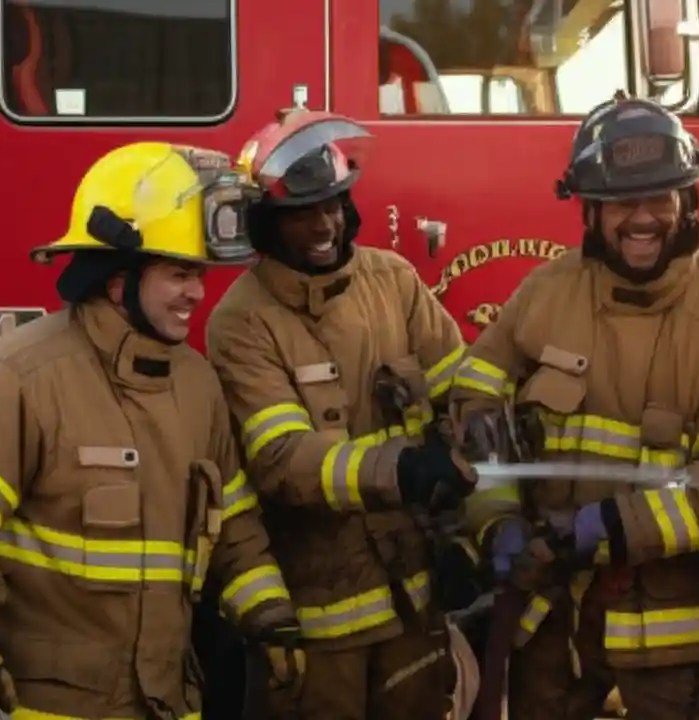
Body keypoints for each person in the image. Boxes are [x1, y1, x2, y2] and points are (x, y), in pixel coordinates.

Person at [0, 141, 299, 720]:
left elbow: (234, 525)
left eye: (200, 274)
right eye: (179, 273)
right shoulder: (21, 376)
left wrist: (269, 616)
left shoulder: (197, 386)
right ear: (118, 280)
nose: (198, 291)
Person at [448, 95, 699, 720]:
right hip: (553, 635)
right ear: (590, 209)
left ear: (688, 202)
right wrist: (497, 525)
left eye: (660, 198)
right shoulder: (547, 293)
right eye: (621, 202)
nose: (642, 219)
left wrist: (601, 529)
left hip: (680, 646)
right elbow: (474, 404)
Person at [204, 108, 476, 720]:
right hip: (319, 613)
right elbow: (282, 461)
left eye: (333, 204)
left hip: (413, 598)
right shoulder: (241, 321)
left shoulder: (393, 281)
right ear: (268, 226)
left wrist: (471, 528)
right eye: (303, 213)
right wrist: (401, 469)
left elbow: (459, 393)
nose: (325, 224)